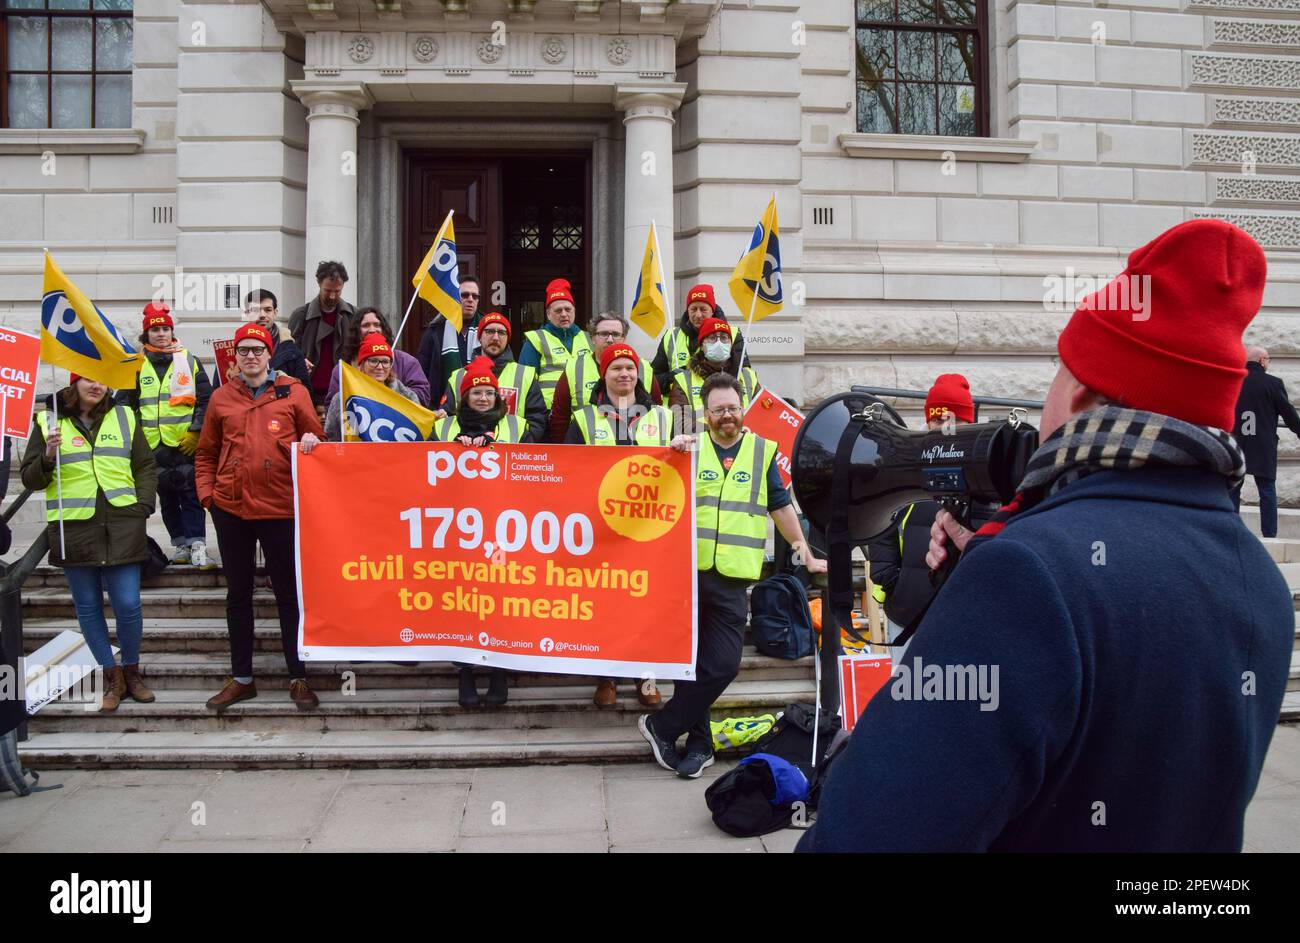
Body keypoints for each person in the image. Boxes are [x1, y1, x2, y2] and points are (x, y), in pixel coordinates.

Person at [800, 219, 1294, 852]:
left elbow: (868, 835)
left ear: (1083, 394)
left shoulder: (1029, 577)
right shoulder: (1261, 584)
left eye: (1055, 377)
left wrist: (988, 598)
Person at [640, 373, 826, 779]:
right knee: (690, 666)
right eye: (719, 409)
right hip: (686, 576)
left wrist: (806, 556)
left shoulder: (762, 452)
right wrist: (667, 454)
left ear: (744, 409)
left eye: (734, 408)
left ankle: (663, 727)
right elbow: (652, 490)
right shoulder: (689, 449)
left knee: (721, 666)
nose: (728, 416)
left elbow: (781, 509)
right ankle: (700, 747)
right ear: (705, 414)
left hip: (732, 580)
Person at [197, 323, 325, 712]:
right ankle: (242, 679)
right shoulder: (221, 397)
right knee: (238, 595)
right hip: (231, 509)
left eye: (258, 350)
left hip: (280, 508)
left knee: (289, 595)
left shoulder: (293, 392)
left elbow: (317, 442)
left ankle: (297, 675)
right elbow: (205, 453)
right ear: (235, 357)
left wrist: (312, 441)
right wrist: (207, 496)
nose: (251, 356)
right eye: (244, 350)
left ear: (270, 354)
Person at [22, 374, 158, 711]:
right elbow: (30, 478)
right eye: (88, 380)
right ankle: (112, 675)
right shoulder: (48, 420)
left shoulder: (125, 415)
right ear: (73, 383)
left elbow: (145, 465)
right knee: (88, 607)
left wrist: (143, 506)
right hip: (74, 528)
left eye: (102, 380)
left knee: (128, 605)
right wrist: (49, 455)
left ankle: (132, 669)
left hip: (122, 524)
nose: (97, 386)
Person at [565, 342, 673, 708]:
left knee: (647, 603)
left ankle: (646, 676)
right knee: (606, 601)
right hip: (601, 526)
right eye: (616, 368)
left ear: (638, 374)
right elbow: (570, 470)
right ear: (604, 374)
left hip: (649, 526)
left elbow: (684, 458)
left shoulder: (664, 415)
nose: (624, 373)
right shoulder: (584, 417)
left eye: (629, 367)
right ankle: (606, 675)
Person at [432, 356, 525, 708]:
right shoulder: (443, 427)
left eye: (489, 393)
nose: (483, 398)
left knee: (499, 600)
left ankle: (499, 670)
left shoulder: (515, 426)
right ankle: (466, 672)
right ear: (464, 397)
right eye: (476, 393)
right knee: (462, 602)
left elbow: (535, 466)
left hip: (504, 526)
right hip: (457, 528)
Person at [867, 374, 974, 656]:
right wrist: (891, 580)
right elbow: (881, 524)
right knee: (905, 696)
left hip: (964, 619)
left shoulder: (983, 473)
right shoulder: (906, 469)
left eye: (954, 418)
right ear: (927, 422)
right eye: (937, 419)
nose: (945, 426)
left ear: (969, 422)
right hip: (905, 617)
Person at [116, 302, 213, 567]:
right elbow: (124, 404)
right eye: (155, 329)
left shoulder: (188, 360)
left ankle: (197, 545)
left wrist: (196, 431)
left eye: (165, 328)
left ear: (172, 331)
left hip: (184, 444)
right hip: (151, 447)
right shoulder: (136, 365)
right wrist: (136, 439)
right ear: (146, 334)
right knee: (167, 499)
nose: (161, 333)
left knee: (191, 496)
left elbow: (206, 400)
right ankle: (180, 545)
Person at [547, 312, 662, 442]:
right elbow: (560, 419)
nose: (610, 339)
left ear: (624, 338)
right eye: (603, 334)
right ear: (592, 338)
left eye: (616, 334)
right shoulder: (574, 368)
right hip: (589, 449)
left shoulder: (644, 368)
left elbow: (656, 411)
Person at [440, 312, 547, 441]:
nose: (495, 337)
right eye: (490, 331)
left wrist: (522, 448)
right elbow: (447, 420)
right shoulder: (458, 376)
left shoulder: (526, 375)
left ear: (508, 338)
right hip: (464, 454)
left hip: (511, 455)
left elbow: (537, 421)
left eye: (501, 333)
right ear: (480, 337)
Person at [1230, 346, 1300, 538]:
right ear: (1261, 360)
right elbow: (1289, 414)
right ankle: (1269, 535)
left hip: (1236, 443)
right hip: (1263, 446)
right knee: (1266, 490)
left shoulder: (1234, 381)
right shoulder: (1273, 384)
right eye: (1268, 360)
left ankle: (1233, 532)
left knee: (1233, 489)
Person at [668, 317, 760, 436]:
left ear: (731, 344)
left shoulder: (748, 377)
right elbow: (680, 422)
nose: (718, 342)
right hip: (701, 449)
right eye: (712, 338)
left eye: (723, 338)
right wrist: (724, 432)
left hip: (744, 447)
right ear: (701, 346)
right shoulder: (683, 380)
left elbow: (762, 414)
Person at [325, 307, 431, 408]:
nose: (372, 329)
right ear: (356, 331)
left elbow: (423, 396)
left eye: (376, 325)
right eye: (366, 325)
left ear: (383, 329)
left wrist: (389, 392)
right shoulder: (342, 369)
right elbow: (332, 407)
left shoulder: (407, 362)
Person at [323, 334, 423, 440]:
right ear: (361, 366)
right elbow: (331, 438)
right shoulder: (342, 399)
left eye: (385, 362)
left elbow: (419, 434)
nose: (380, 367)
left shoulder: (407, 397)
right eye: (373, 361)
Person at [649, 283, 745, 394]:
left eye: (703, 309)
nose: (698, 315)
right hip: (678, 406)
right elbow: (653, 380)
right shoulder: (671, 336)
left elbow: (743, 374)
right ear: (687, 310)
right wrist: (670, 378)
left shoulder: (732, 334)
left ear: (712, 310)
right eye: (693, 309)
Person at [289, 260, 357, 407]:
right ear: (319, 283)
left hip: (343, 393)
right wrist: (299, 359)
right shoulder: (301, 315)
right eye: (328, 291)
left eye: (337, 291)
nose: (332, 296)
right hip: (308, 394)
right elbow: (290, 351)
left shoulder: (353, 315)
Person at [519, 277, 591, 412]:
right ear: (548, 314)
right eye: (558, 310)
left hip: (585, 413)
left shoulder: (589, 339)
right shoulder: (535, 340)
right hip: (549, 414)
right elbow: (526, 383)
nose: (564, 314)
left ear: (574, 310)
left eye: (568, 309)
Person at [418, 274, 482, 405]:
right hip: (442, 408)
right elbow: (422, 372)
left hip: (481, 405)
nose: (470, 299)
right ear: (454, 298)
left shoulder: (489, 329)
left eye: (475, 296)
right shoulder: (434, 332)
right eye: (464, 295)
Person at [241, 289, 311, 389]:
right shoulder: (233, 349)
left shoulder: (291, 350)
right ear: (247, 313)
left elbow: (305, 392)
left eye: (268, 310)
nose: (262, 315)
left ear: (275, 312)